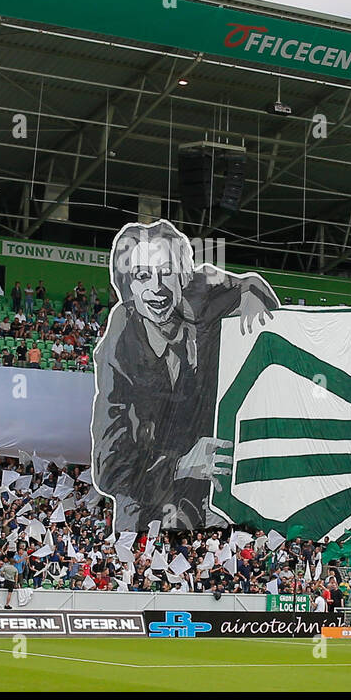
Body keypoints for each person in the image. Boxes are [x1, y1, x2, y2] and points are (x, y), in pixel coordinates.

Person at [91, 220, 277, 532]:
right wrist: (181, 465)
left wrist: (256, 296)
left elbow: (250, 284)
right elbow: (110, 469)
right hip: (149, 513)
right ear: (126, 287)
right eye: (142, 276)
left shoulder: (202, 288)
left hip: (215, 503)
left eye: (166, 272)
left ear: (183, 276)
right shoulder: (118, 351)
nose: (157, 287)